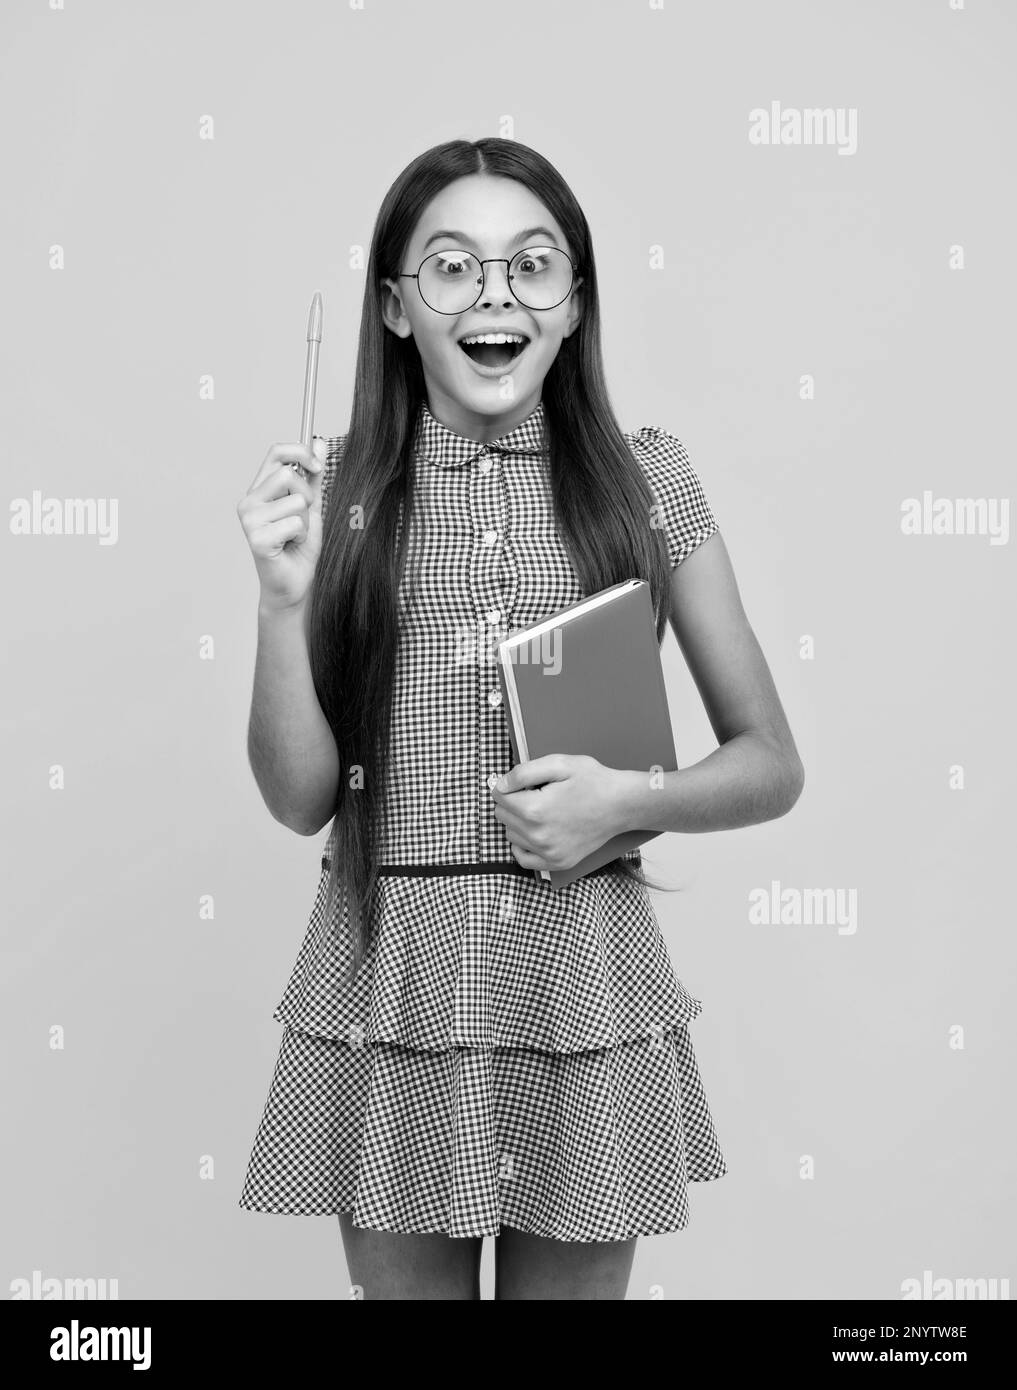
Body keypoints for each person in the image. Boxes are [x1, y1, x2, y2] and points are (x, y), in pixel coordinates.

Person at [234, 137, 804, 1301]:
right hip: (391, 977)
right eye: (452, 268)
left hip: (583, 976)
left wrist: (630, 802)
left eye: (532, 266)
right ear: (395, 306)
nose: (495, 295)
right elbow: (299, 800)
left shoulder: (649, 480)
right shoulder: (330, 489)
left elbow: (771, 763)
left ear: (575, 300)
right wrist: (280, 605)